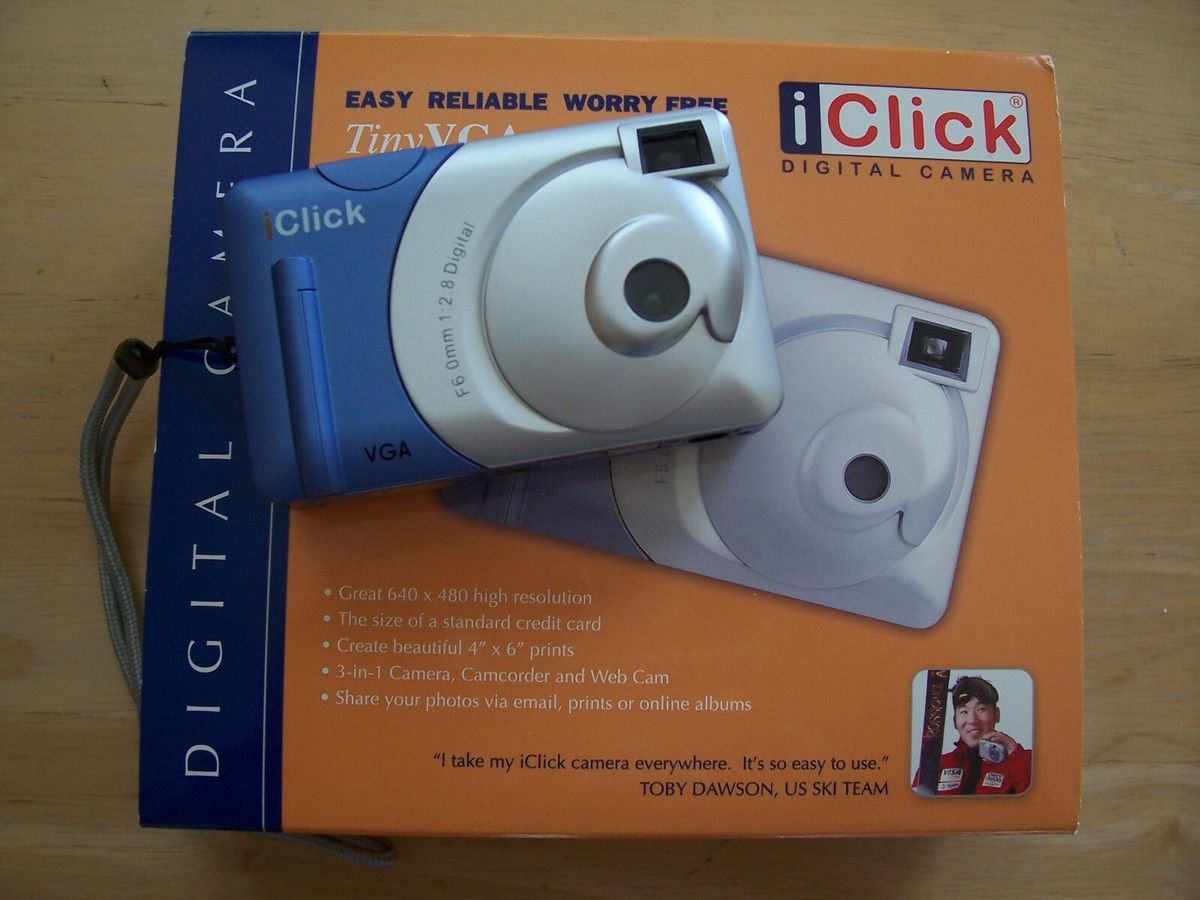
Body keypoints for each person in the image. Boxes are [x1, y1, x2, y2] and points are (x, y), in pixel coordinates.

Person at [916, 675, 1032, 796]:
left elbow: (1036, 803)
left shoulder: (1022, 762)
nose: (972, 720)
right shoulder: (937, 766)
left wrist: (1017, 757)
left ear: (996, 714)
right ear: (954, 721)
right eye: (964, 712)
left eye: (981, 709)